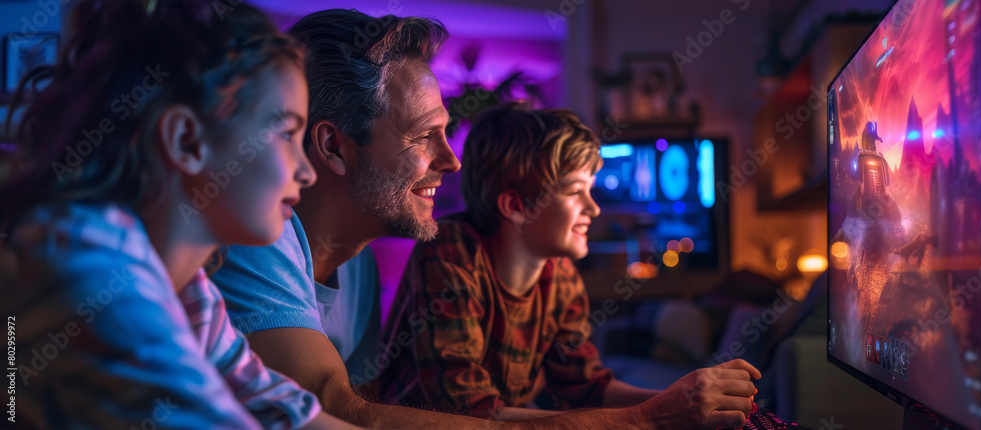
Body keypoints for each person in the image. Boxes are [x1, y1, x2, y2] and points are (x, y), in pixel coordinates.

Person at [211, 8, 760, 430]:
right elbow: (339, 412)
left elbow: (368, 399)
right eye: (423, 135)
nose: (451, 161)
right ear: (333, 145)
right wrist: (647, 420)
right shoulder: (256, 238)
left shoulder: (360, 268)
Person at [0, 1, 358, 428]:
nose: (306, 172)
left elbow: (290, 416)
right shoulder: (89, 264)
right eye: (286, 134)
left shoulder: (190, 291)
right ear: (187, 141)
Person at [378, 102, 761, 424]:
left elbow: (586, 387)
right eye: (576, 192)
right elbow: (467, 414)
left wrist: (677, 399)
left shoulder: (560, 274)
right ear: (516, 206)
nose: (593, 209)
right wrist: (652, 417)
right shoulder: (450, 253)